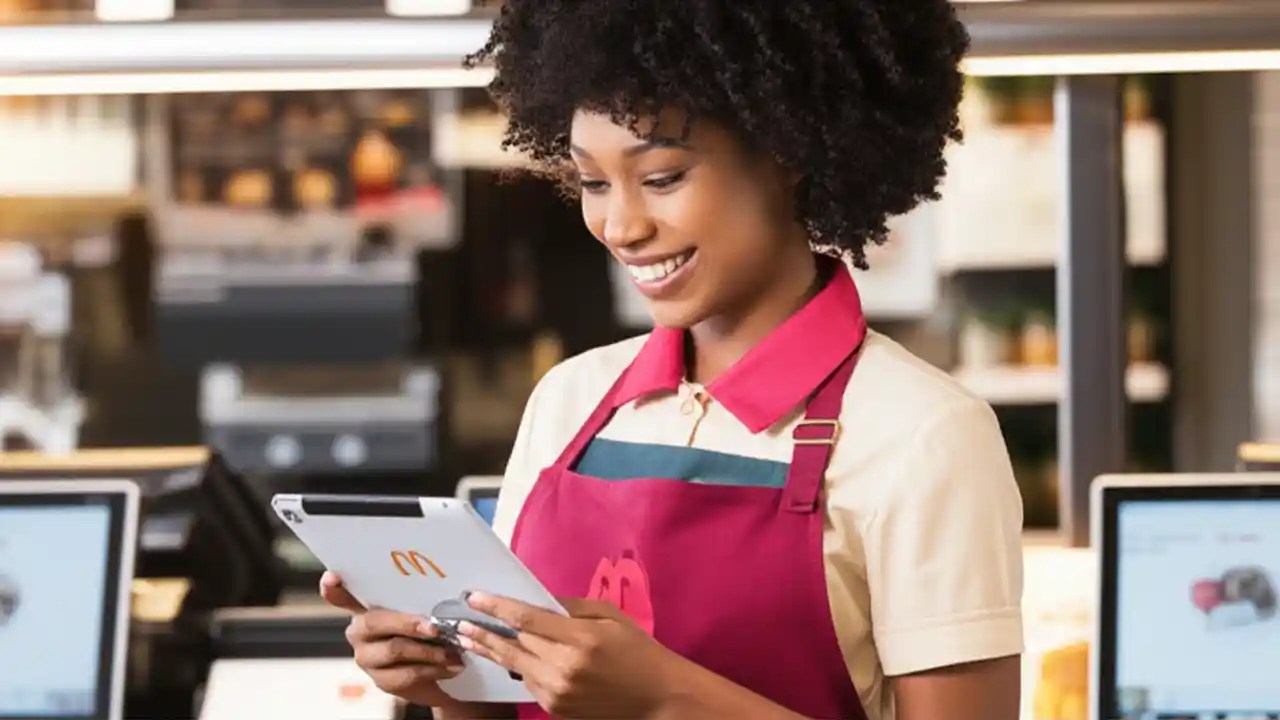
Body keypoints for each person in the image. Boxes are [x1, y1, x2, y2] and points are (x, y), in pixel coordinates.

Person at [321, 1, 1024, 718]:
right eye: (594, 183)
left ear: (791, 155)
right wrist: (447, 685)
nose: (621, 227)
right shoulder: (570, 401)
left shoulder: (923, 435)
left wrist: (667, 697)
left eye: (661, 178)